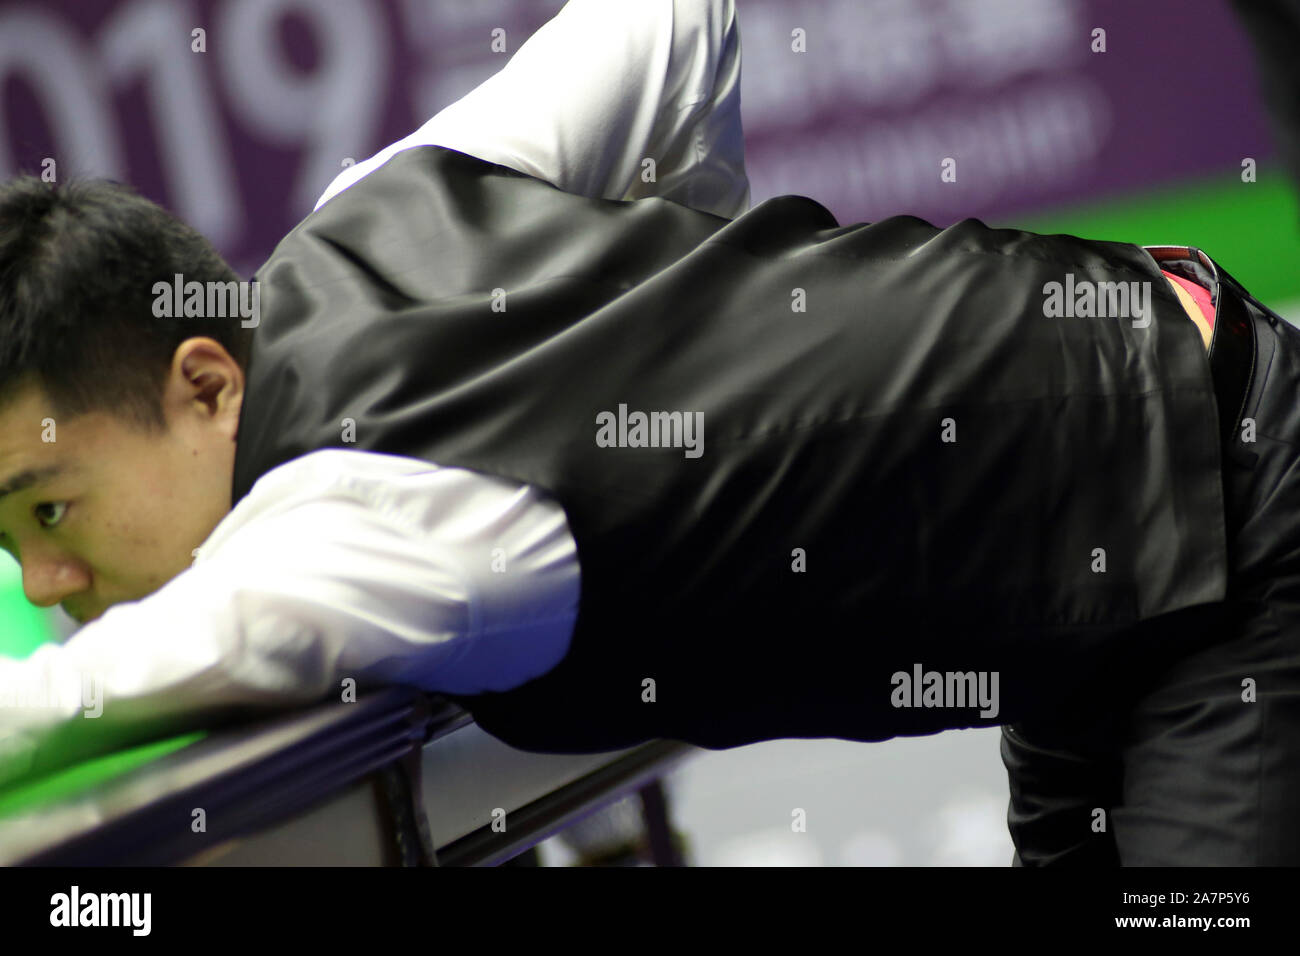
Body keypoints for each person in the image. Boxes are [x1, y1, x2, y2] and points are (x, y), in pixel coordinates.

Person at [0, 0, 1279, 864]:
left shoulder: (336, 535)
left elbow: (80, 693)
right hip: (1094, 568)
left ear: (207, 382)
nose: (45, 582)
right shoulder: (371, 207)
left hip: (1228, 494)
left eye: (50, 505)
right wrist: (683, 270)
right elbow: (668, 20)